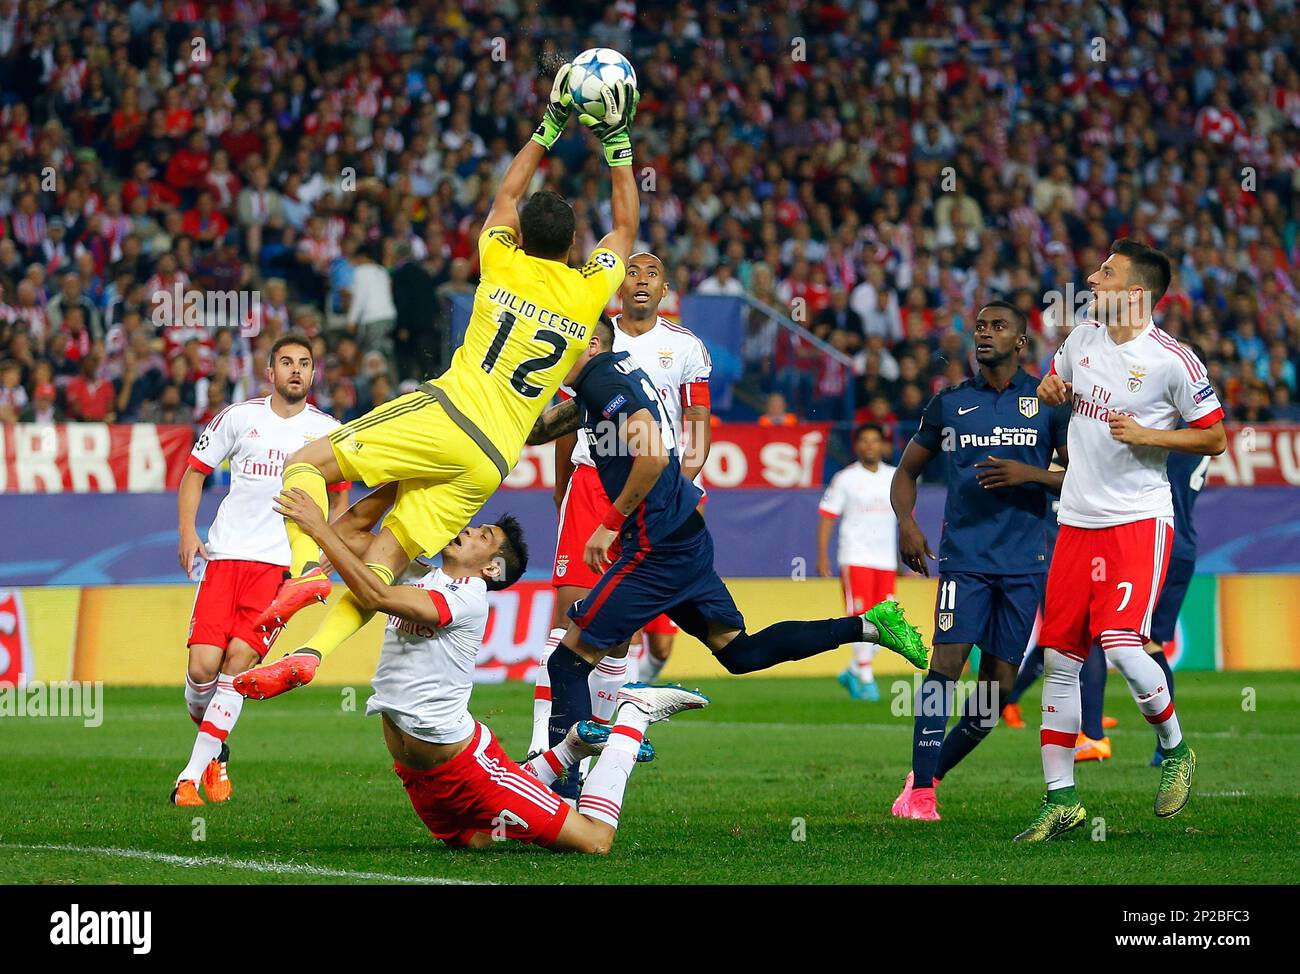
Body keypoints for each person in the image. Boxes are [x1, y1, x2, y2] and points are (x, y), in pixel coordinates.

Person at [233, 67, 641, 700]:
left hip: (446, 413)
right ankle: (313, 652)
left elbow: (507, 193)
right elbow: (626, 227)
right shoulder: (589, 291)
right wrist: (617, 140)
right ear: (572, 248)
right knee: (387, 560)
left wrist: (551, 124)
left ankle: (305, 571)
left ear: (520, 237)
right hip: (492, 459)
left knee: (304, 463)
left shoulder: (500, 259)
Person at [527, 318, 928, 786]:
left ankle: (565, 793)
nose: (551, 352)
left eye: (560, 343)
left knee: (567, 660)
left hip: (655, 547)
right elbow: (541, 431)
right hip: (685, 538)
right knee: (740, 652)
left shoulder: (604, 381)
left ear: (592, 344)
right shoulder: (606, 379)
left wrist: (608, 525)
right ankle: (869, 626)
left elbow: (652, 457)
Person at [273, 482, 708, 854]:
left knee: (594, 841)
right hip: (421, 775)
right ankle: (570, 749)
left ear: (492, 567)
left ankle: (633, 715)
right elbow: (354, 536)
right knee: (476, 840)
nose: (467, 529)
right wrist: (403, 480)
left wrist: (318, 527)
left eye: (482, 534)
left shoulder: (468, 599)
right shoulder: (419, 573)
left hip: (470, 770)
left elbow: (375, 596)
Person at [1017, 240, 1226, 842]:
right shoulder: (1082, 339)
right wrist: (1048, 392)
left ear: (1136, 292)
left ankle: (1176, 749)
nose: (1092, 278)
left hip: (1137, 520)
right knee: (1060, 659)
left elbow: (1214, 438)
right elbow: (1051, 387)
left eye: (1106, 273)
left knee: (1121, 642)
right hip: (1075, 521)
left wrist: (1149, 435)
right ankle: (1061, 799)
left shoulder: (1173, 361)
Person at [525, 252, 713, 766]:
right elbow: (568, 419)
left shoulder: (686, 347)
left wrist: (675, 492)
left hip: (654, 488)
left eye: (652, 273)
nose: (642, 280)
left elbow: (697, 428)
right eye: (632, 272)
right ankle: (542, 741)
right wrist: (562, 485)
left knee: (618, 631)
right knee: (570, 618)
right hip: (591, 480)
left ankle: (594, 745)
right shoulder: (591, 335)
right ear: (620, 286)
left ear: (665, 289)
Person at [888, 301, 1069, 821]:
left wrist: (1030, 475)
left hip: (1024, 561)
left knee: (997, 691)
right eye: (981, 326)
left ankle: (928, 774)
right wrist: (907, 521)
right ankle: (922, 792)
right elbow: (905, 472)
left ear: (1020, 342)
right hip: (964, 558)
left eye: (998, 326)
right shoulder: (949, 404)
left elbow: (1080, 480)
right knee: (945, 666)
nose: (985, 333)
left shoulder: (1047, 401)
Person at [171, 335, 348, 805]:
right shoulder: (239, 417)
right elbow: (194, 472)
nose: (296, 370)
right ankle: (215, 751)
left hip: (279, 570)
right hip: (225, 557)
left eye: (304, 363)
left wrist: (329, 547)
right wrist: (188, 532)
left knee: (238, 664)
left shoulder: (328, 431)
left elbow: (341, 498)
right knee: (201, 667)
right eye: (286, 362)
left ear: (314, 374)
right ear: (270, 372)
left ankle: (189, 777)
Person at [817, 423, 899, 701]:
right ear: (857, 445)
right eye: (864, 440)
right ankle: (865, 676)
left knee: (885, 621)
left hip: (886, 559)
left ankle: (853, 670)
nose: (870, 446)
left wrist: (904, 560)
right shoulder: (845, 478)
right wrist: (822, 555)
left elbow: (904, 518)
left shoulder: (895, 476)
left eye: (875, 440)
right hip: (856, 556)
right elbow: (827, 516)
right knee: (862, 617)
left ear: (883, 445)